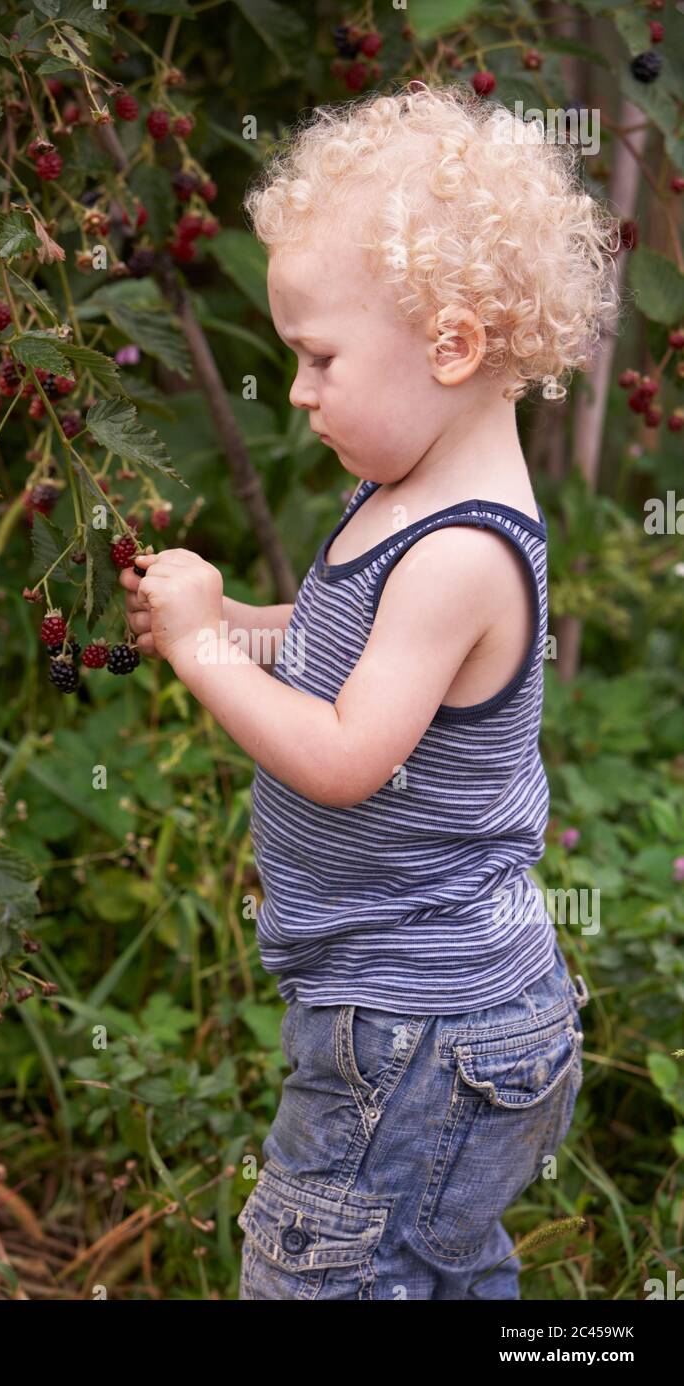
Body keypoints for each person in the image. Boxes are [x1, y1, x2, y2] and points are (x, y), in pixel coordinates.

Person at [120, 82, 618, 1299]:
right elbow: (344, 643)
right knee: (431, 1269)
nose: (296, 393)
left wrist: (195, 657)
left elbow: (347, 754)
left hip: (414, 1033)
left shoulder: (458, 550)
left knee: (318, 1272)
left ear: (447, 344)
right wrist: (236, 627)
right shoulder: (406, 495)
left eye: (318, 358)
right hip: (435, 1023)